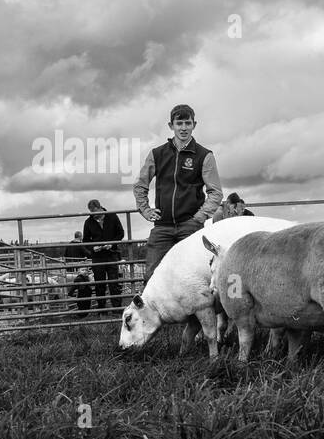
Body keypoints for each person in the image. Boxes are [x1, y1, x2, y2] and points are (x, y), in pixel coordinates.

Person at [132, 103, 223, 281]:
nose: (183, 128)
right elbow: (140, 184)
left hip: (190, 225)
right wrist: (145, 209)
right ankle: (152, 309)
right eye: (179, 123)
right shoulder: (157, 154)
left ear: (194, 125)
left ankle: (196, 309)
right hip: (162, 226)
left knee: (194, 277)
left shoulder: (204, 155)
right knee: (152, 276)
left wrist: (200, 216)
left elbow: (216, 192)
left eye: (187, 123)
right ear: (171, 126)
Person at [82, 199, 125, 310]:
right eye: (91, 213)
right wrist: (93, 247)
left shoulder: (112, 216)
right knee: (99, 284)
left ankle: (117, 308)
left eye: (95, 212)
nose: (94, 215)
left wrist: (112, 244)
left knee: (113, 282)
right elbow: (85, 240)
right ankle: (102, 309)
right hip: (97, 257)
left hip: (111, 254)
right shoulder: (88, 222)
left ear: (100, 207)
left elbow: (120, 233)